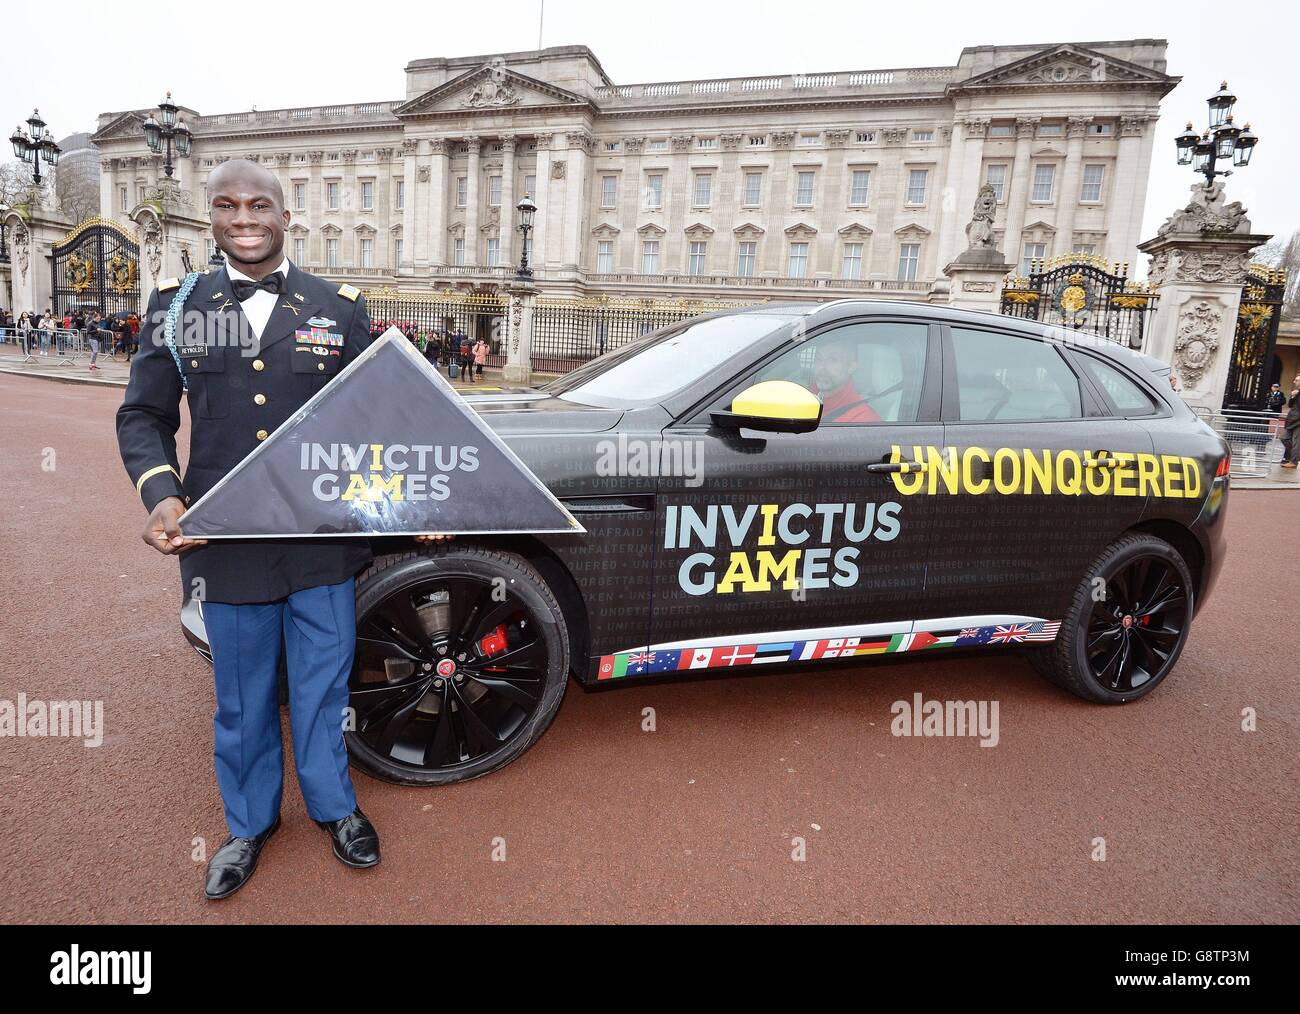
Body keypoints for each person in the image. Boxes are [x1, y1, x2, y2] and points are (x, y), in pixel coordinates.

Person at [117, 158, 451, 901]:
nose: (244, 218)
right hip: (227, 542)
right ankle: (248, 824)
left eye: (258, 205)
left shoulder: (341, 307)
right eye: (228, 206)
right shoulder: (178, 308)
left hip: (320, 543)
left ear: (284, 213)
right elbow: (144, 415)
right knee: (240, 697)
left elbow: (384, 421)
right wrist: (162, 494)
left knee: (324, 688)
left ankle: (336, 809)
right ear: (212, 216)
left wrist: (421, 503)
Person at [807, 340, 880, 423]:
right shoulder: (803, 398)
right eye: (818, 358)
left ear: (851, 367)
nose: (822, 367)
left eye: (832, 360)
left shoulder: (863, 420)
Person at [1281, 375, 1300, 470]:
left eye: (1296, 380)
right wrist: (1293, 396)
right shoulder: (1297, 392)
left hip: (1298, 422)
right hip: (1291, 421)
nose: (1294, 381)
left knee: (1296, 442)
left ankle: (1293, 461)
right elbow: (1290, 405)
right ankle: (1297, 455)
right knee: (1283, 438)